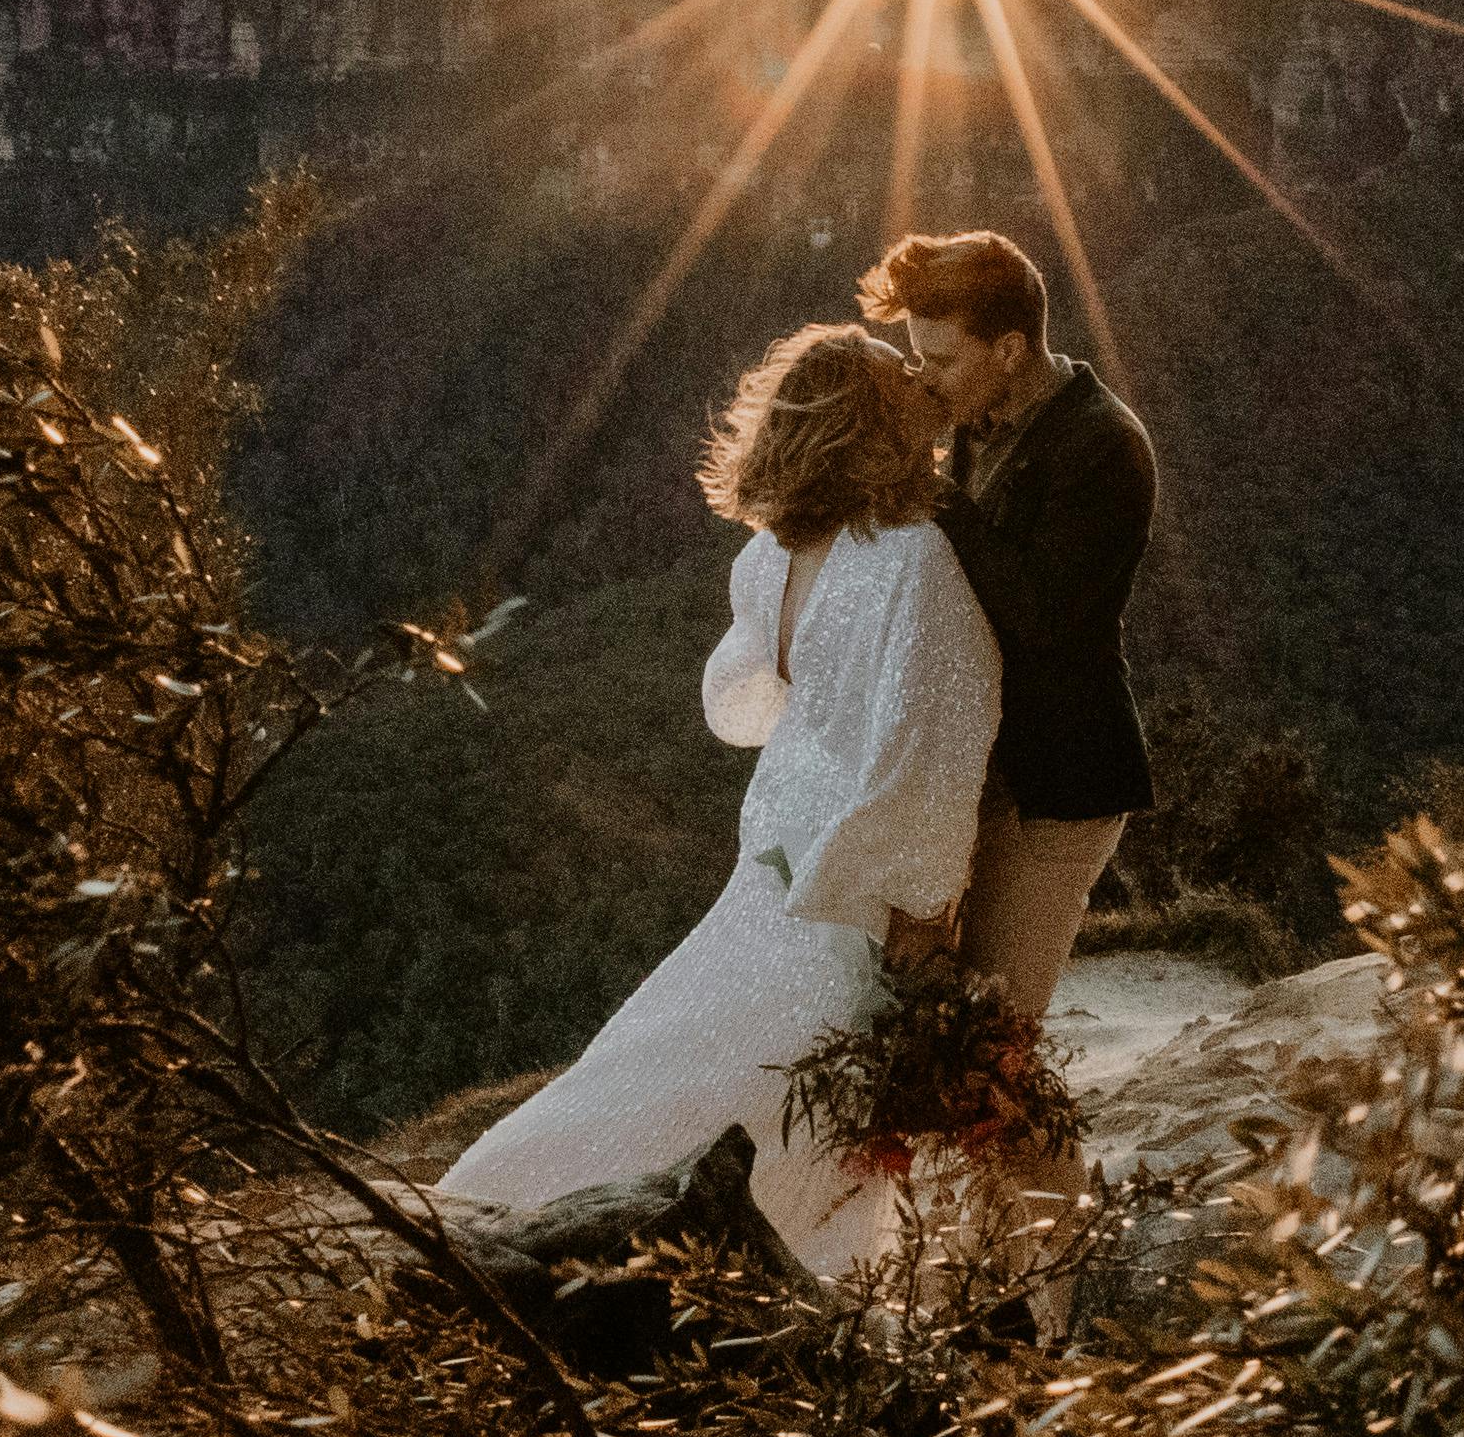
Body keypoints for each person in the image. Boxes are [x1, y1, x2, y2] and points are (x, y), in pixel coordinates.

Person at [434, 325, 1000, 1277]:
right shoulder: (915, 564)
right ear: (878, 428)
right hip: (847, 882)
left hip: (771, 855)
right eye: (903, 384)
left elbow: (739, 705)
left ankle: (494, 1211)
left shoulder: (769, 560)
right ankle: (742, 1288)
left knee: (667, 1057)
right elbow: (936, 744)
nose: (922, 395)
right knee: (797, 1098)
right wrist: (927, 913)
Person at [857, 229, 1157, 1261]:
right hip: (972, 772)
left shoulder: (1103, 447)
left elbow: (1040, 613)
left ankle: (1069, 1276)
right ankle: (1001, 1260)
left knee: (990, 1055)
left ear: (1014, 346)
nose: (924, 377)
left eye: (940, 357)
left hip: (1056, 788)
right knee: (943, 1035)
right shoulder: (980, 415)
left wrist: (932, 491)